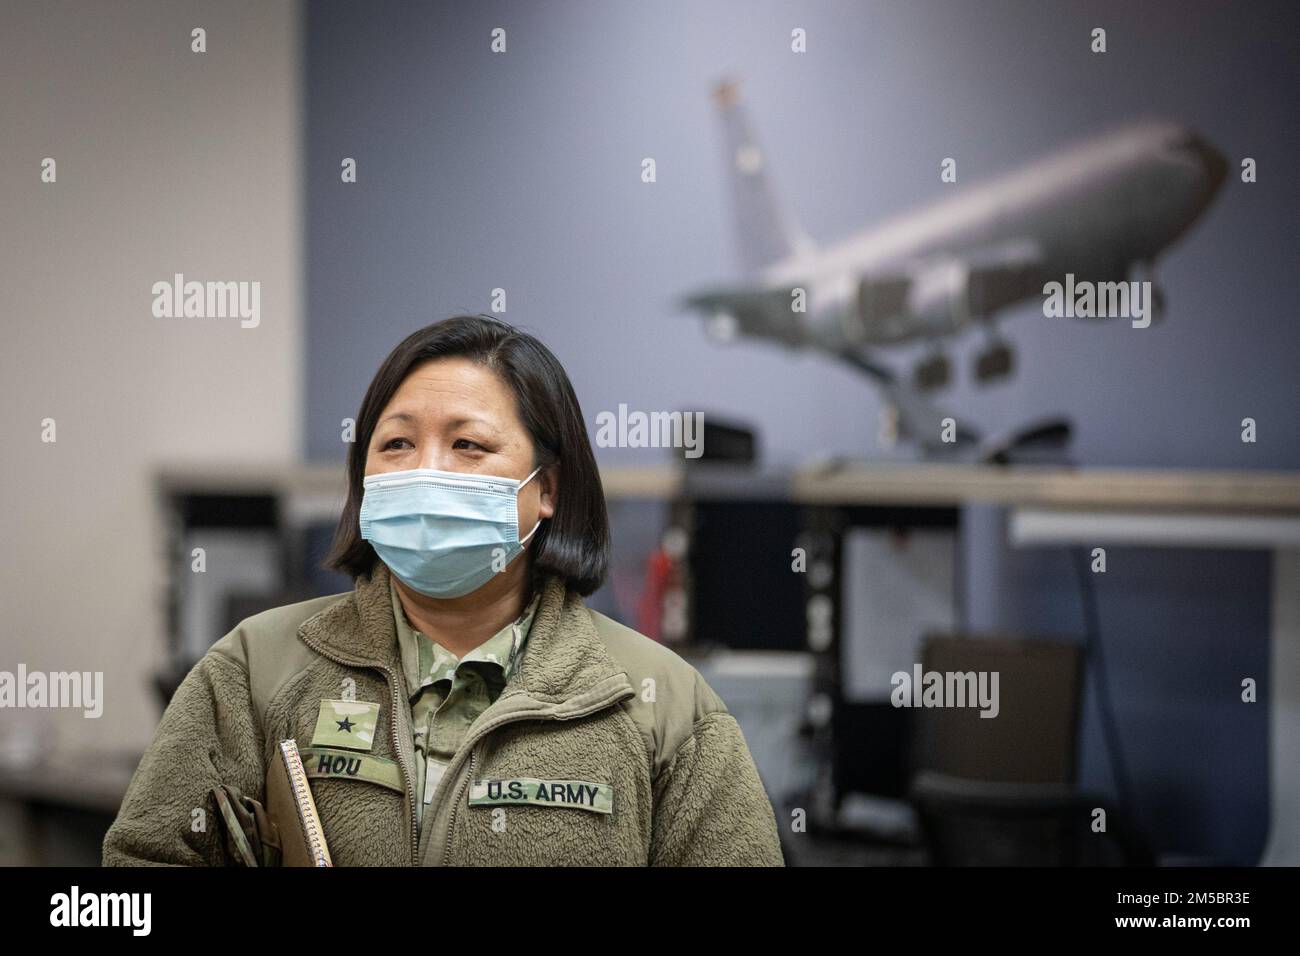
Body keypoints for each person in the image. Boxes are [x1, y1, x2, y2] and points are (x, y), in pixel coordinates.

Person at [103, 314, 784, 866]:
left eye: (468, 446)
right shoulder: (256, 669)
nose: (426, 471)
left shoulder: (661, 706)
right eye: (396, 444)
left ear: (545, 489)